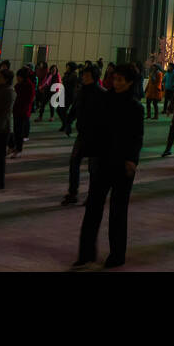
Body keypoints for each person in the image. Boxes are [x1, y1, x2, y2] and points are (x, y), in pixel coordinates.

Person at [74, 64, 144, 268]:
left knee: (118, 212)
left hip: (122, 165)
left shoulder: (135, 107)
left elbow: (136, 137)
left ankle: (117, 254)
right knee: (93, 209)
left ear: (130, 82)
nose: (117, 83)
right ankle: (86, 253)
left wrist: (132, 160)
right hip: (102, 160)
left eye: (121, 80)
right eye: (115, 79)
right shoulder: (104, 100)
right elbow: (93, 127)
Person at [63, 64, 105, 204]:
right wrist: (68, 122)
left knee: (93, 169)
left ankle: (92, 196)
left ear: (93, 77)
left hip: (96, 136)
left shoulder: (101, 94)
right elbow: (75, 108)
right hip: (82, 135)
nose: (83, 77)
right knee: (74, 162)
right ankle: (72, 192)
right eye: (83, 75)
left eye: (86, 75)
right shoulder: (82, 91)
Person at [9, 67, 35, 157]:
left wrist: (22, 109)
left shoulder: (29, 85)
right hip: (17, 110)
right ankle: (13, 147)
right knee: (15, 130)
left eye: (18, 76)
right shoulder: (19, 84)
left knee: (19, 131)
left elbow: (29, 100)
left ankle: (18, 149)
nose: (17, 78)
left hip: (23, 112)